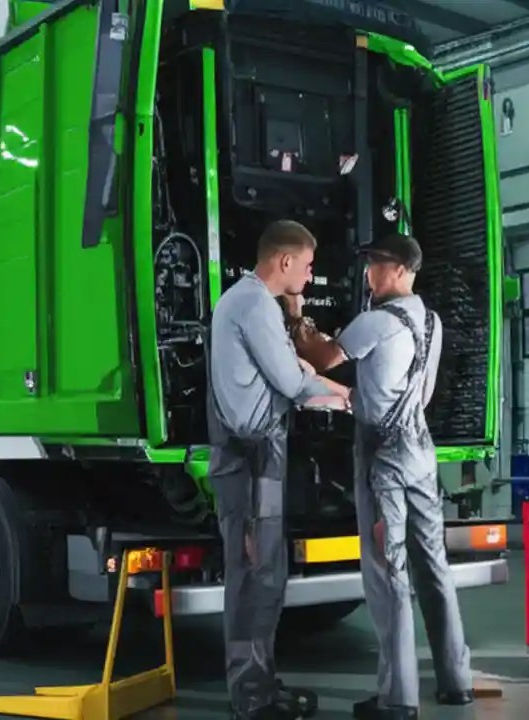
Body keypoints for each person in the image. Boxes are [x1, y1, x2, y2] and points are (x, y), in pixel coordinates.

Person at [283, 233, 474, 720]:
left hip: (383, 454)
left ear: (400, 269)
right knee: (433, 566)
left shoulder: (378, 321)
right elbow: (423, 394)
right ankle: (456, 682)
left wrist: (297, 315)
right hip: (421, 450)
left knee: (388, 572)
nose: (368, 273)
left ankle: (398, 699)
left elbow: (323, 357)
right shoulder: (431, 321)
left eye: (376, 264)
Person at [208, 219, 351, 720]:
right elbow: (293, 383)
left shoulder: (249, 302)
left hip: (257, 457)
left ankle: (262, 682)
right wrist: (350, 397)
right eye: (307, 267)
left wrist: (322, 380)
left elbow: (295, 370)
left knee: (267, 574)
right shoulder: (253, 305)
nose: (310, 277)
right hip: (249, 460)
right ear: (285, 261)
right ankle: (250, 694)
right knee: (253, 577)